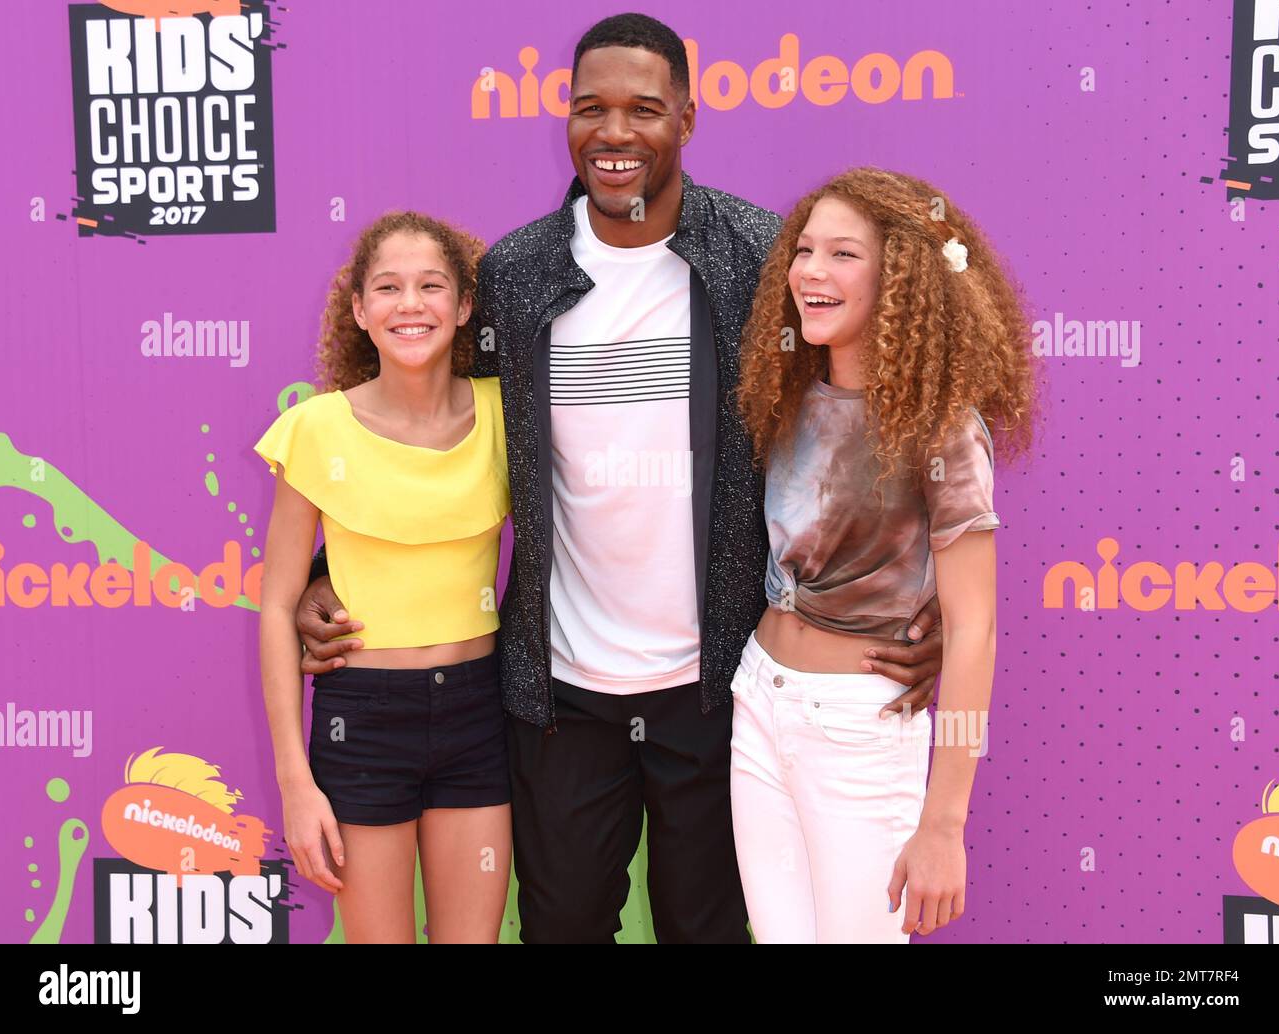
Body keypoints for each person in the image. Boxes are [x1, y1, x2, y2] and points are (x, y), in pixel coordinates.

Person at [293, 13, 947, 944]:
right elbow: (423, 412)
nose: (615, 133)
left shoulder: (759, 259)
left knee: (709, 929)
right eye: (589, 107)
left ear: (688, 114)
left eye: (644, 108)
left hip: (722, 687)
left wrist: (915, 596)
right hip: (560, 692)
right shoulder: (519, 273)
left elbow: (860, 420)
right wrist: (330, 565)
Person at [731, 167, 1039, 942]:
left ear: (899, 278)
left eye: (843, 255)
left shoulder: (944, 429)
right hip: (759, 705)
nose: (811, 272)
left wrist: (944, 824)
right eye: (803, 251)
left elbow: (974, 628)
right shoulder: (787, 398)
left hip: (860, 734)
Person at [254, 211, 512, 943]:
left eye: (431, 285)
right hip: (361, 719)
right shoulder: (316, 429)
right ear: (360, 310)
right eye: (388, 288)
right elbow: (276, 608)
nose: (410, 304)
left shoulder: (504, 412)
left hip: (478, 715)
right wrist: (295, 784)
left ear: (463, 306)